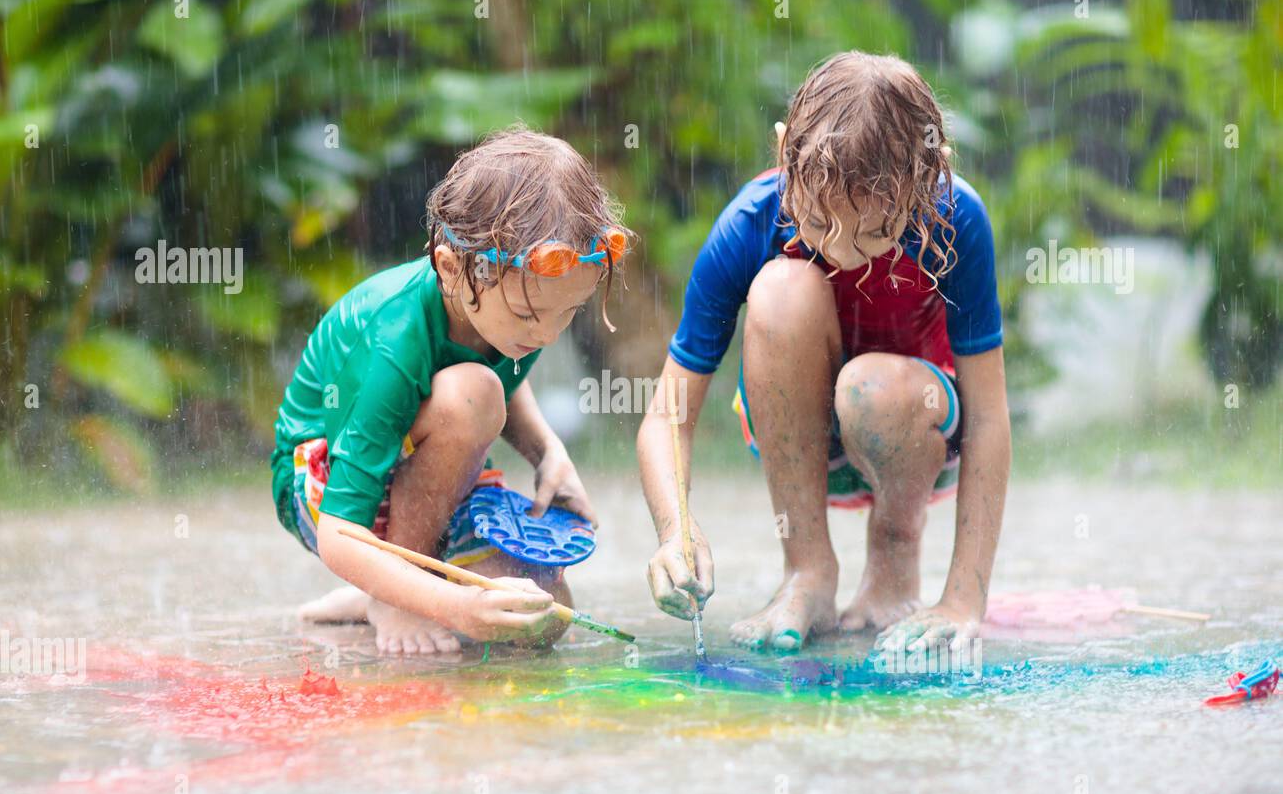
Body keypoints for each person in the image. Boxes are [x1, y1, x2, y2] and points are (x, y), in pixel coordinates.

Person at [638, 52, 1010, 654]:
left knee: (872, 387)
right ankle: (807, 570)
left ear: (931, 177)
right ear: (785, 153)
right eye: (815, 222)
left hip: (918, 429)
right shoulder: (751, 221)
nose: (839, 252)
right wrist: (673, 530)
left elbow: (990, 418)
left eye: (872, 234)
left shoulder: (955, 220)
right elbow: (667, 414)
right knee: (783, 288)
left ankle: (894, 553)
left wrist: (965, 596)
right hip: (802, 439)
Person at [272, 127, 629, 655]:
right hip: (325, 482)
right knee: (471, 393)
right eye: (531, 316)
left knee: (543, 615)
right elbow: (340, 534)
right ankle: (395, 590)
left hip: (428, 474)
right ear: (450, 267)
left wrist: (547, 453)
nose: (547, 336)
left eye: (569, 314)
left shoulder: (514, 306)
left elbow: (500, 372)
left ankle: (384, 584)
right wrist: (452, 606)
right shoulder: (393, 339)